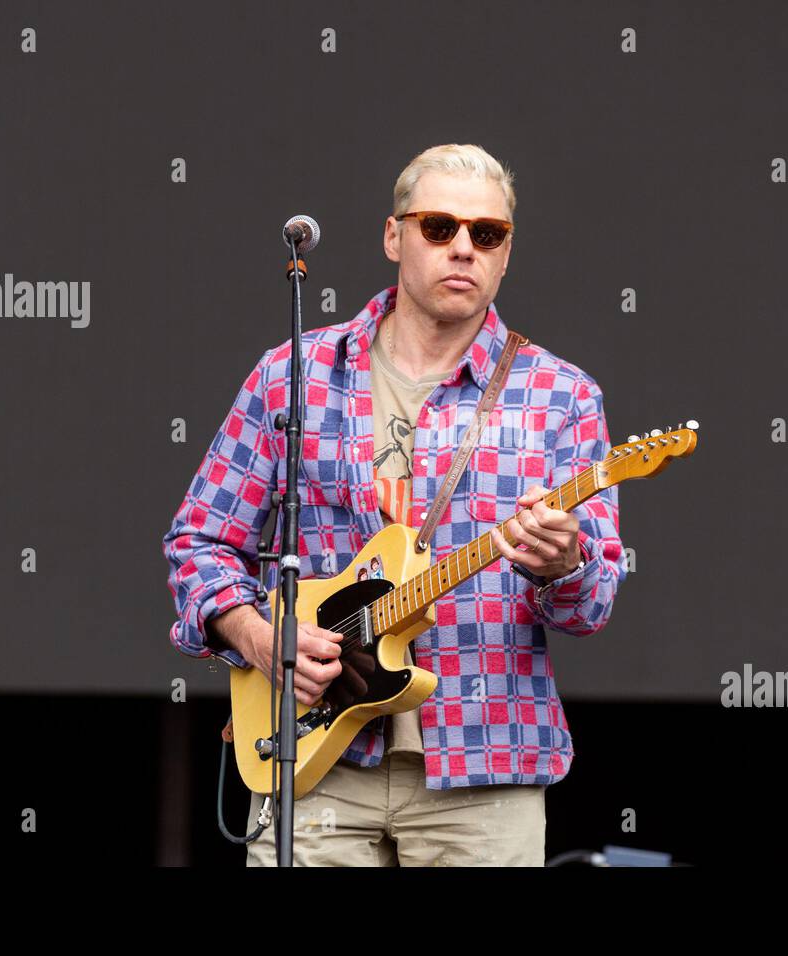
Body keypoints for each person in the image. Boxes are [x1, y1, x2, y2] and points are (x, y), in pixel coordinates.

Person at [162, 143, 627, 866]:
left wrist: (562, 565)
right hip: (311, 758)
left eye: (488, 234)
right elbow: (198, 540)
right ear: (392, 236)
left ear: (507, 254)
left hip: (484, 770)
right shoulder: (296, 372)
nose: (464, 248)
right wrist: (259, 640)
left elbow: (589, 607)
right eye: (439, 228)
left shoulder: (561, 398)